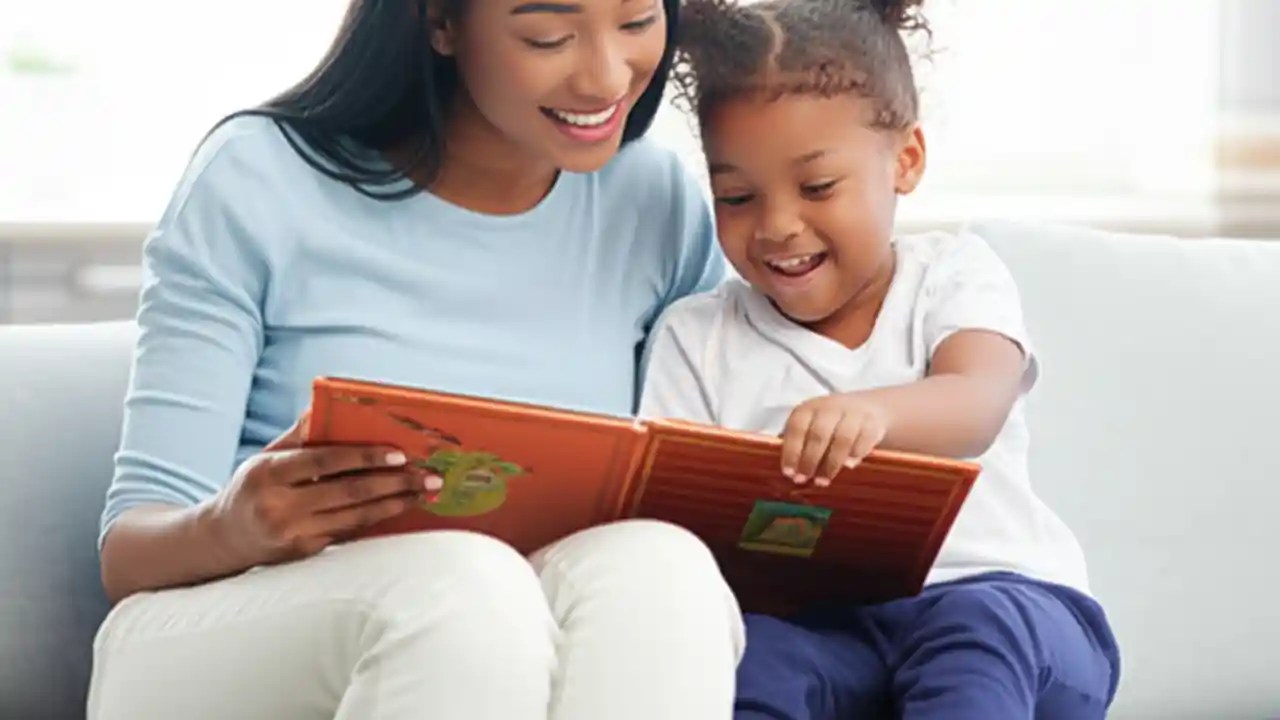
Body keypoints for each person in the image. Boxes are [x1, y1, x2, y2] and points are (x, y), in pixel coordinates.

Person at [88, 1, 746, 718]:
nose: (606, 75)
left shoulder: (655, 201)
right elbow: (129, 554)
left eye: (637, 22)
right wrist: (234, 526)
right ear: (440, 23)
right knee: (463, 584)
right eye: (549, 36)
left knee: (663, 568)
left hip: (499, 624)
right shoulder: (257, 176)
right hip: (214, 635)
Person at [638, 0, 1122, 718]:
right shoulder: (696, 335)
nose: (776, 226)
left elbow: (977, 401)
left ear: (906, 161)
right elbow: (670, 517)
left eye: (817, 187)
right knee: (756, 661)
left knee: (976, 638)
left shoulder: (952, 274)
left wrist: (870, 413)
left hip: (1011, 604)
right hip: (827, 628)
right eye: (736, 196)